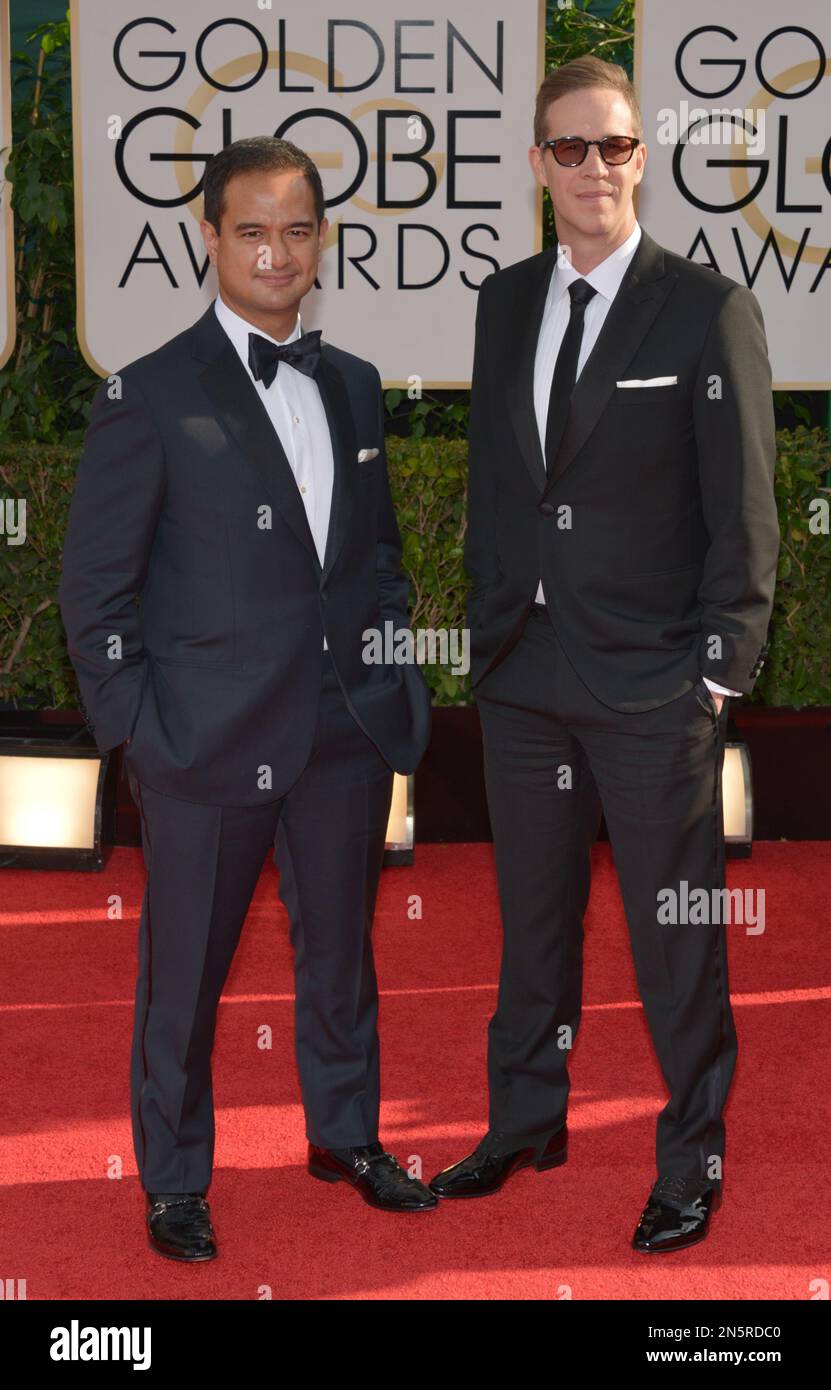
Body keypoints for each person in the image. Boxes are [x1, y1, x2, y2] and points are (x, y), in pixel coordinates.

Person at [59, 136, 437, 1262]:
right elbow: (95, 587)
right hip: (204, 741)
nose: (278, 250)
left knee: (340, 954)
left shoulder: (355, 385)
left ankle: (347, 1136)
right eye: (253, 228)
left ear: (321, 240)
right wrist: (136, 729)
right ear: (210, 237)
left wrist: (391, 673)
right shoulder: (152, 394)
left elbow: (375, 561)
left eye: (299, 228)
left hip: (343, 730)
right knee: (185, 973)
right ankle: (174, 1178)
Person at [429, 57, 779, 1253]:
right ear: (537, 164)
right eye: (569, 149)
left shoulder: (703, 307)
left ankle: (693, 1154)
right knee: (529, 924)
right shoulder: (504, 298)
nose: (593, 169)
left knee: (673, 933)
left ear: (643, 157)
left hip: (651, 684)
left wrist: (723, 664)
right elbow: (501, 475)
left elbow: (745, 503)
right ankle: (527, 1118)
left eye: (614, 147)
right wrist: (487, 619)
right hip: (525, 674)